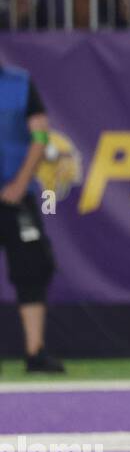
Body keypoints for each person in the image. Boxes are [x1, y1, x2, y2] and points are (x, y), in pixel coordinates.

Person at [0, 59, 63, 372]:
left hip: (15, 197)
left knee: (32, 269)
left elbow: (40, 136)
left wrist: (20, 183)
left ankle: (35, 351)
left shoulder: (20, 83)